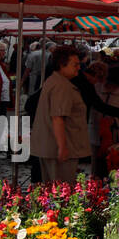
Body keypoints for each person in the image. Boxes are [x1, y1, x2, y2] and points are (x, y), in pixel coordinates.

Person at [30, 46, 89, 184]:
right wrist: (62, 147)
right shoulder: (61, 86)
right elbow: (57, 118)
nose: (79, 68)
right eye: (75, 64)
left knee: (53, 190)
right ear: (62, 65)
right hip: (57, 148)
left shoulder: (54, 81)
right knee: (62, 191)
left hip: (51, 146)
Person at [89, 63, 119, 178]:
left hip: (115, 137)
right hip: (95, 132)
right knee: (96, 166)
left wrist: (115, 121)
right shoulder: (96, 87)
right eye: (109, 84)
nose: (111, 87)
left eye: (114, 85)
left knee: (113, 167)